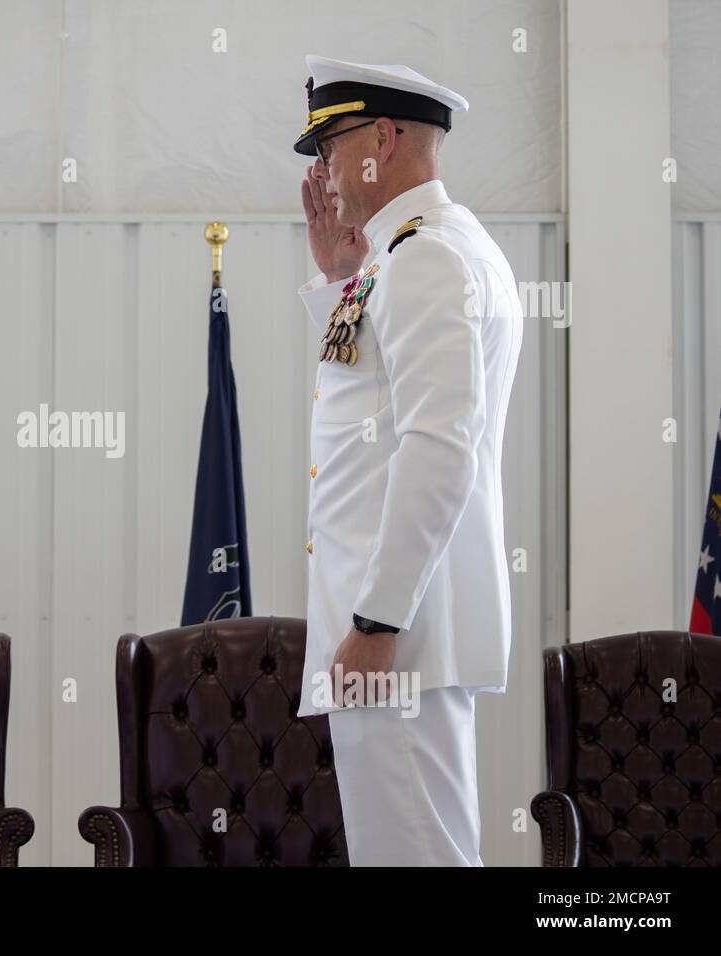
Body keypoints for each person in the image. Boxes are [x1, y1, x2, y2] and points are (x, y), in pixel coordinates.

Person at [292, 56, 524, 865]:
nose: (321, 170)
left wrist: (375, 621)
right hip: (403, 637)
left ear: (382, 139)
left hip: (398, 639)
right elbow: (379, 403)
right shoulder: (414, 251)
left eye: (329, 146)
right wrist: (338, 281)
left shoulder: (423, 257)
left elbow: (437, 447)